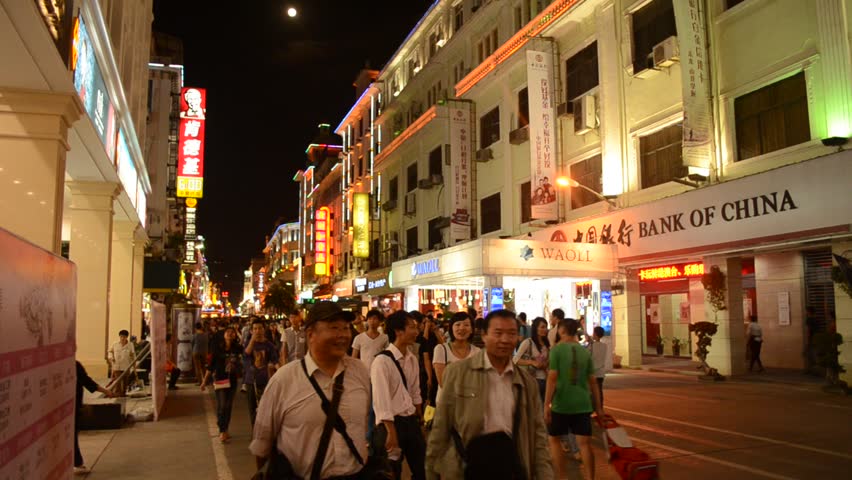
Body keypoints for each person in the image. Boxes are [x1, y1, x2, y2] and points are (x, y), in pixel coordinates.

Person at [427, 309, 553, 479]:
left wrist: (544, 475)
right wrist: (432, 471)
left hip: (512, 467)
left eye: (511, 333)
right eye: (498, 333)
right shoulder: (458, 373)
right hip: (465, 467)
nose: (505, 339)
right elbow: (441, 427)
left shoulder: (526, 382)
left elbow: (538, 437)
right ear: (484, 335)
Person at [250, 302, 371, 479]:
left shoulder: (360, 371)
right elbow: (262, 446)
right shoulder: (283, 380)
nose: (343, 335)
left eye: (346, 328)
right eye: (334, 328)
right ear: (311, 334)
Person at [545, 319, 604, 480]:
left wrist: (546, 405)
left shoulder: (556, 351)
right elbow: (593, 382)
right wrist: (598, 408)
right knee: (584, 444)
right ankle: (590, 478)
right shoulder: (584, 351)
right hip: (583, 404)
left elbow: (552, 379)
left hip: (561, 404)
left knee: (554, 440)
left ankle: (562, 476)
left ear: (562, 330)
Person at [371, 310, 426, 480]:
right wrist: (391, 432)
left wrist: (420, 420)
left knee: (422, 469)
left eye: (417, 327)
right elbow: (381, 400)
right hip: (391, 424)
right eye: (412, 327)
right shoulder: (381, 361)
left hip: (411, 421)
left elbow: (415, 391)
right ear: (398, 331)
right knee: (392, 472)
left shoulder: (412, 358)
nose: (416, 331)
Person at [201, 326, 243, 443]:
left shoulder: (237, 349)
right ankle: (222, 429)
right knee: (222, 405)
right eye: (227, 332)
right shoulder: (218, 349)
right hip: (220, 380)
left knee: (228, 406)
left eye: (232, 333)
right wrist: (204, 382)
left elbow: (245, 357)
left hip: (232, 381)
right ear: (223, 335)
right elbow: (210, 367)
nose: (230, 334)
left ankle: (224, 429)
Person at [75, 361, 115, 474]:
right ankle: (77, 463)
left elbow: (87, 382)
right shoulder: (74, 365)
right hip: (73, 407)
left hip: (70, 406)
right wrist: (106, 391)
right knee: (72, 434)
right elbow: (88, 382)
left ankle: (76, 462)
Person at [432, 312, 480, 404]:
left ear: (472, 330)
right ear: (451, 328)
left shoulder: (477, 352)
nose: (461, 328)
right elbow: (443, 382)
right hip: (446, 406)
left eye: (466, 325)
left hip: (470, 405)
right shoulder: (441, 349)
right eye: (457, 324)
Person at [245, 318, 279, 429]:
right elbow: (246, 355)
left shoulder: (269, 345)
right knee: (252, 408)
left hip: (266, 380)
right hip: (251, 380)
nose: (258, 331)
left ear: (264, 329)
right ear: (251, 331)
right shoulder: (249, 343)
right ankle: (255, 432)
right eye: (255, 329)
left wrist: (280, 372)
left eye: (260, 328)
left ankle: (264, 431)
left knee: (266, 409)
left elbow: (275, 361)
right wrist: (252, 340)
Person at [514, 317, 550, 402]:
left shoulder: (547, 344)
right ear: (536, 328)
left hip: (545, 379)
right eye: (542, 327)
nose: (545, 329)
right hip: (532, 379)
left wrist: (546, 364)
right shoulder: (528, 342)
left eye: (546, 327)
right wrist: (531, 362)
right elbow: (515, 359)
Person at [416, 315, 441, 406]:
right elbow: (424, 342)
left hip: (434, 364)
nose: (427, 324)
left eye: (428, 322)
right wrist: (426, 328)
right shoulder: (417, 336)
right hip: (423, 366)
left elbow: (443, 345)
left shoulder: (432, 334)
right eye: (424, 322)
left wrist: (436, 331)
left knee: (432, 392)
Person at [108, 330, 135, 397]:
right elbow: (110, 351)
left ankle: (123, 393)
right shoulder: (115, 344)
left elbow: (133, 355)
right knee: (118, 380)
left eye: (124, 337)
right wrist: (111, 358)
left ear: (127, 337)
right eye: (121, 336)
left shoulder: (130, 345)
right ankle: (118, 393)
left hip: (126, 365)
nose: (122, 338)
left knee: (125, 380)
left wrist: (134, 365)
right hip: (117, 365)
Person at [589, 326, 608, 405]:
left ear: (595, 334)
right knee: (599, 391)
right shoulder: (604, 346)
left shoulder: (591, 346)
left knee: (592, 392)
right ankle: (600, 407)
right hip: (601, 372)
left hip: (593, 372)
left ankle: (593, 408)